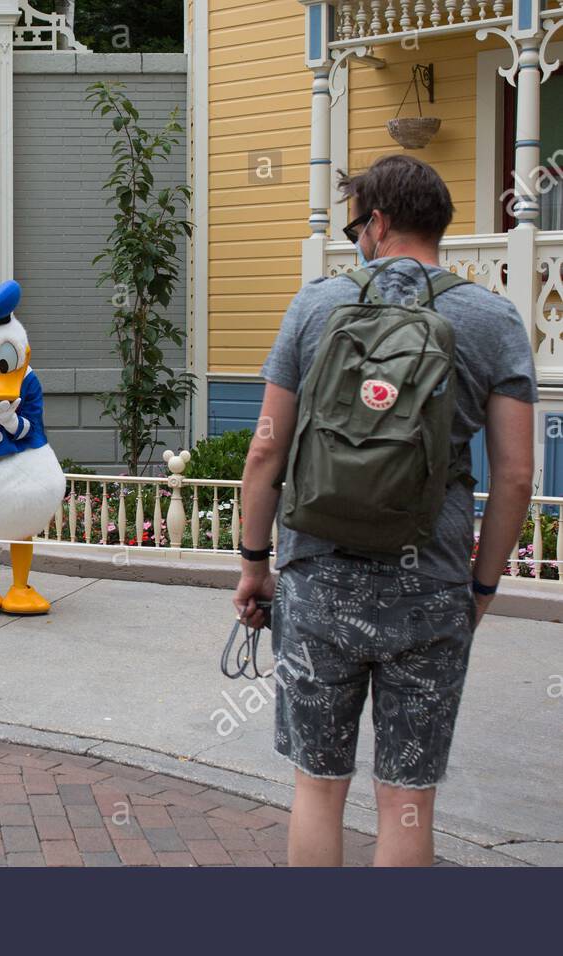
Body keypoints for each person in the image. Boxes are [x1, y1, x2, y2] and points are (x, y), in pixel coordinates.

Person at [232, 155, 537, 866]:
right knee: (406, 798)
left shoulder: (314, 306)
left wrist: (254, 566)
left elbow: (264, 454)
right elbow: (517, 476)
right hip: (430, 586)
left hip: (317, 579)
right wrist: (481, 588)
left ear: (380, 222)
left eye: (355, 223)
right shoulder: (491, 319)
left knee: (317, 785)